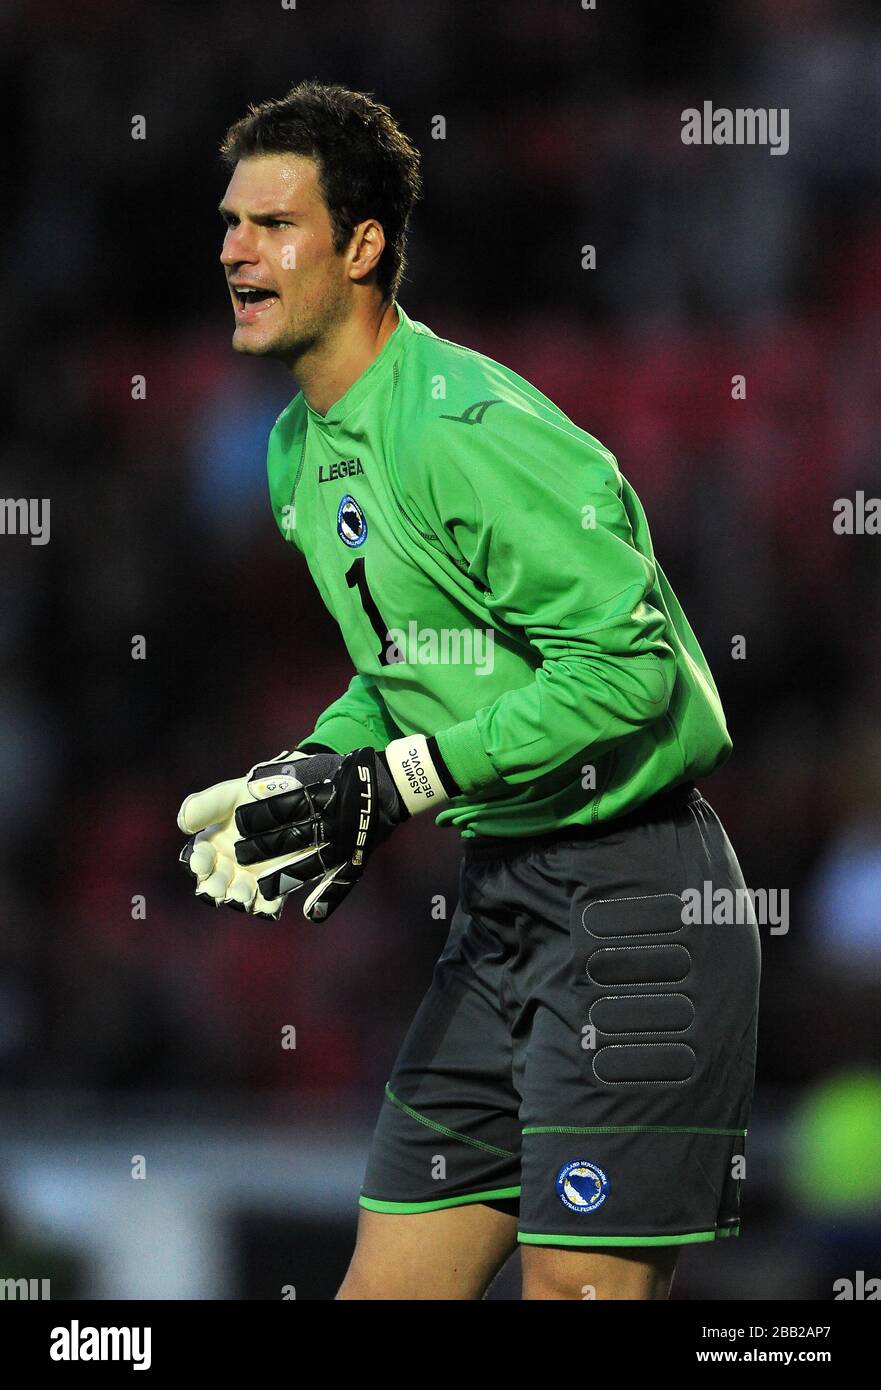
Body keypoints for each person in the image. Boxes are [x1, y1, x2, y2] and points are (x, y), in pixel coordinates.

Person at [178, 79, 761, 1301]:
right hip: (501, 906)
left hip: (636, 898)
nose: (235, 248)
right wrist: (318, 766)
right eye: (230, 220)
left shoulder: (467, 428)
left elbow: (629, 668)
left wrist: (400, 780)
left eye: (274, 223)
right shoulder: (298, 448)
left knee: (574, 1293)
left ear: (363, 245)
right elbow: (401, 666)